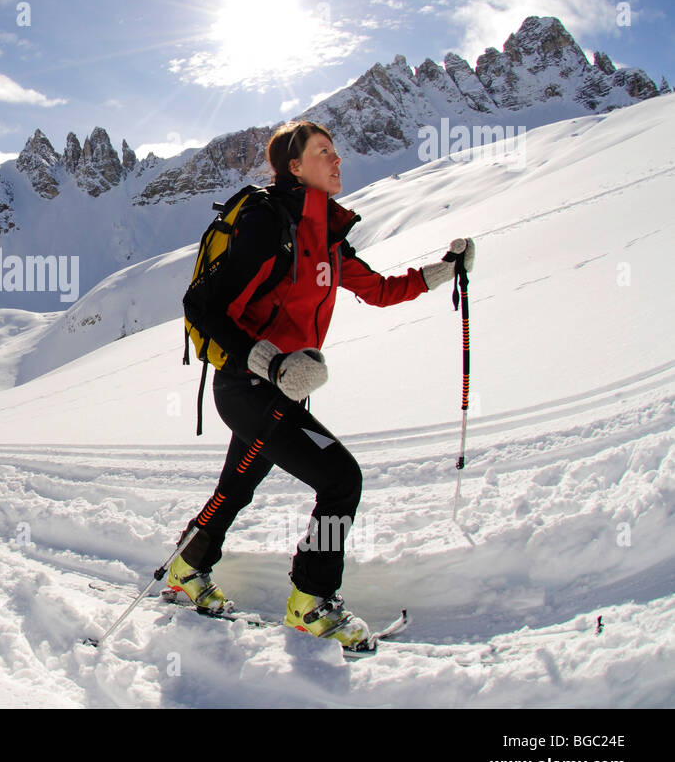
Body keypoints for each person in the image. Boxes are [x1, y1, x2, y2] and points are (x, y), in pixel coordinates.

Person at [168, 120, 475, 652]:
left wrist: (445, 271)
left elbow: (378, 290)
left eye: (336, 151)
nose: (337, 160)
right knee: (340, 479)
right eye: (323, 152)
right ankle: (311, 601)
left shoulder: (328, 234)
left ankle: (185, 568)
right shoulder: (268, 221)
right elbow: (203, 305)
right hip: (246, 386)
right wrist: (270, 363)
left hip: (279, 391)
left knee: (237, 488)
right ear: (295, 166)